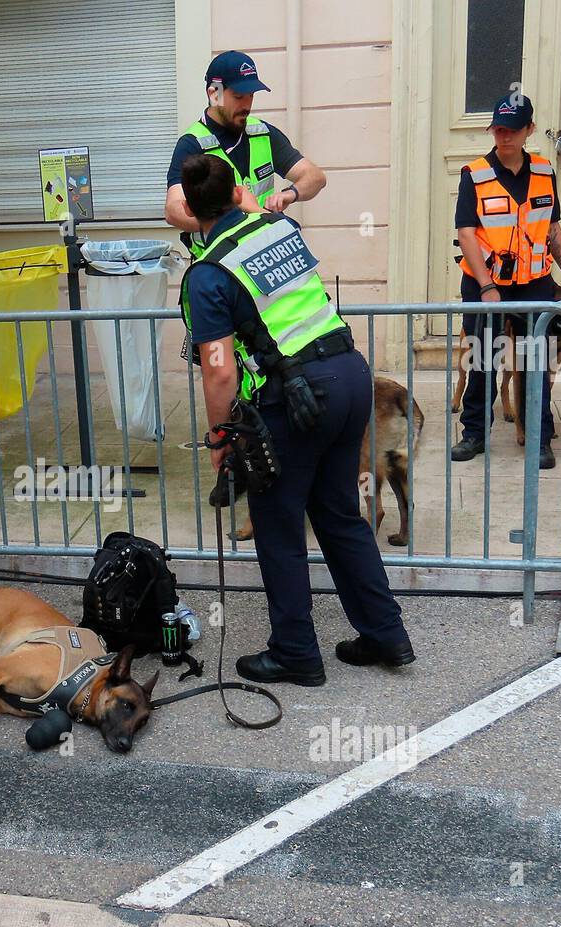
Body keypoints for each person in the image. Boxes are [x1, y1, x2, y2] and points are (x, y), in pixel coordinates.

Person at [178, 154, 414, 686]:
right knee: (339, 517)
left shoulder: (207, 274)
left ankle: (295, 653)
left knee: (279, 529)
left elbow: (218, 372)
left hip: (299, 399)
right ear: (237, 190)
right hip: (352, 376)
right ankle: (385, 634)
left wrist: (221, 437)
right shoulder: (278, 227)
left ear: (191, 211)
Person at [451, 93, 561, 470]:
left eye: (513, 130)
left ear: (529, 129)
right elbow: (466, 234)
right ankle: (474, 434)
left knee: (534, 362)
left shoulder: (545, 172)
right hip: (486, 283)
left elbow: (552, 229)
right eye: (499, 129)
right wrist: (486, 286)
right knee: (481, 358)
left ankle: (539, 438)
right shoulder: (475, 175)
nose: (505, 137)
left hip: (534, 282)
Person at [165, 50, 326, 259]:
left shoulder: (264, 134)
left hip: (265, 260)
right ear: (215, 94)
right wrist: (224, 223)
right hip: (219, 266)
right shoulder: (192, 144)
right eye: (238, 97)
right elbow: (173, 210)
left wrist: (288, 194)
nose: (247, 105)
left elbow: (315, 177)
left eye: (251, 96)